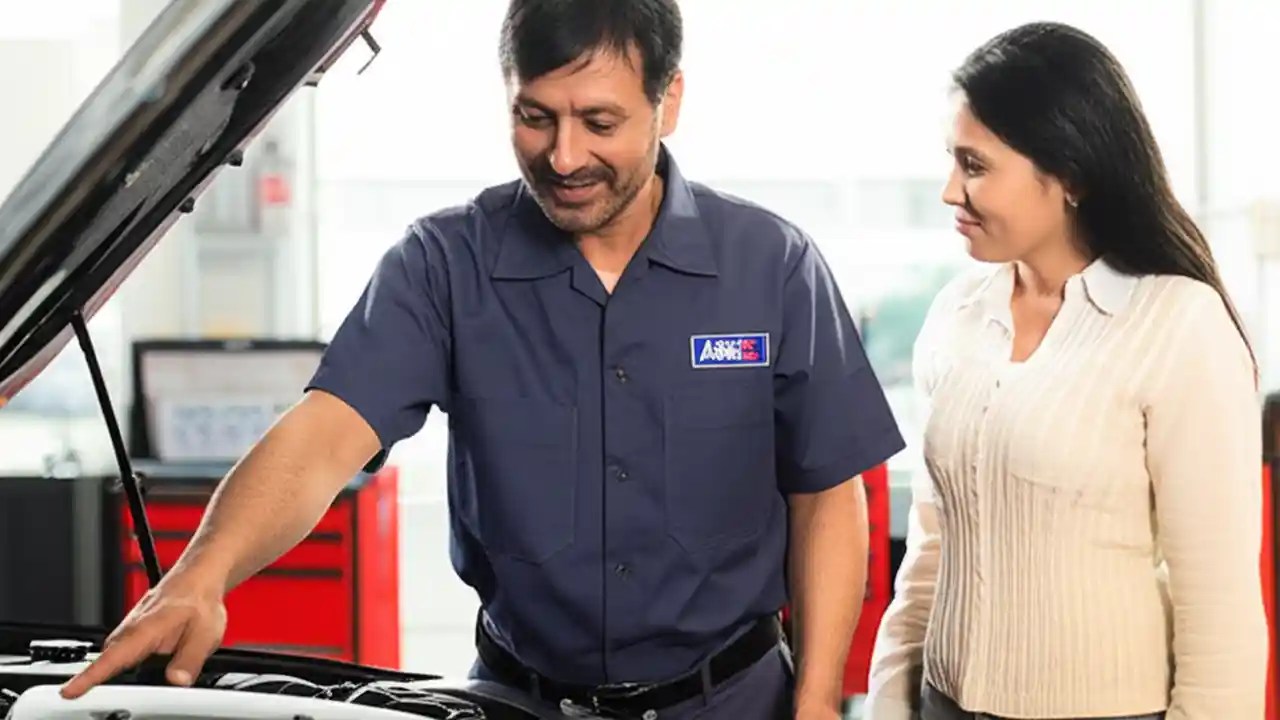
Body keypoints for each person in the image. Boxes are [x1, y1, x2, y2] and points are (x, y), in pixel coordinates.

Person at [62, 1, 906, 718]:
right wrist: (199, 575)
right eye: (535, 116)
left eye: (599, 122)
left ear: (668, 101)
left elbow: (826, 497)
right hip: (516, 700)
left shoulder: (772, 266)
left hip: (735, 701)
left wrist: (816, 704)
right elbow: (324, 435)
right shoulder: (443, 265)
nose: (564, 157)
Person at [863, 21, 1267, 720]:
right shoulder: (957, 314)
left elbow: (1220, 608)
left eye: (975, 166)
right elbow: (931, 552)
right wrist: (890, 704)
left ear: (1071, 174)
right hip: (942, 704)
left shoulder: (1179, 324)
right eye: (952, 162)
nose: (951, 191)